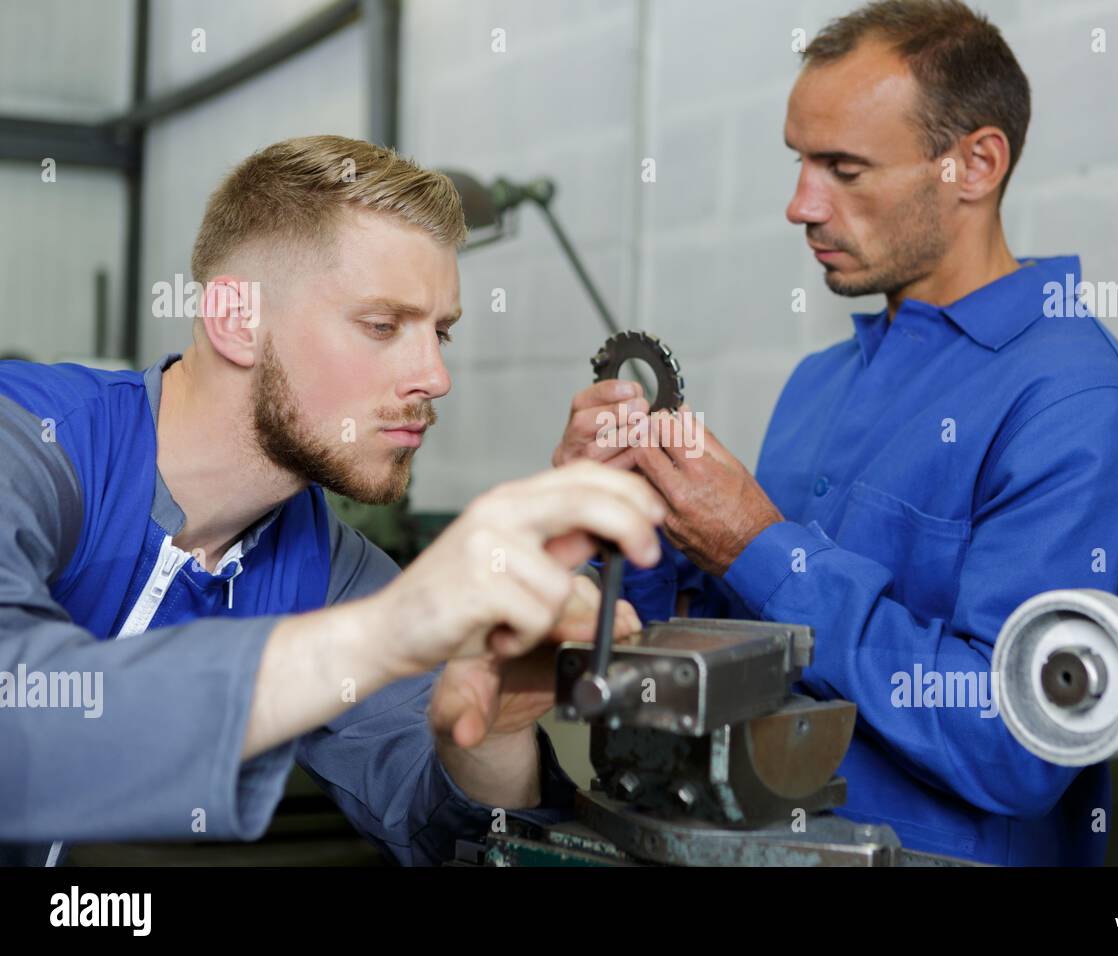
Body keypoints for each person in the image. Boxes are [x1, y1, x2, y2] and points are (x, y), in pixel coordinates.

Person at [553, 0, 1118, 865]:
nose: (799, 205)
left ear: (974, 164)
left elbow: (1016, 741)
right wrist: (630, 523)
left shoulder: (1078, 410)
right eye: (799, 162)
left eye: (843, 169)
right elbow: (743, 650)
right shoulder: (821, 385)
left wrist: (759, 543)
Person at [0, 134, 659, 866]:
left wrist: (495, 724)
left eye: (439, 331)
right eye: (382, 325)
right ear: (236, 320)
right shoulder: (29, 441)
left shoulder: (324, 565)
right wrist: (390, 629)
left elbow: (438, 821)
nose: (435, 376)